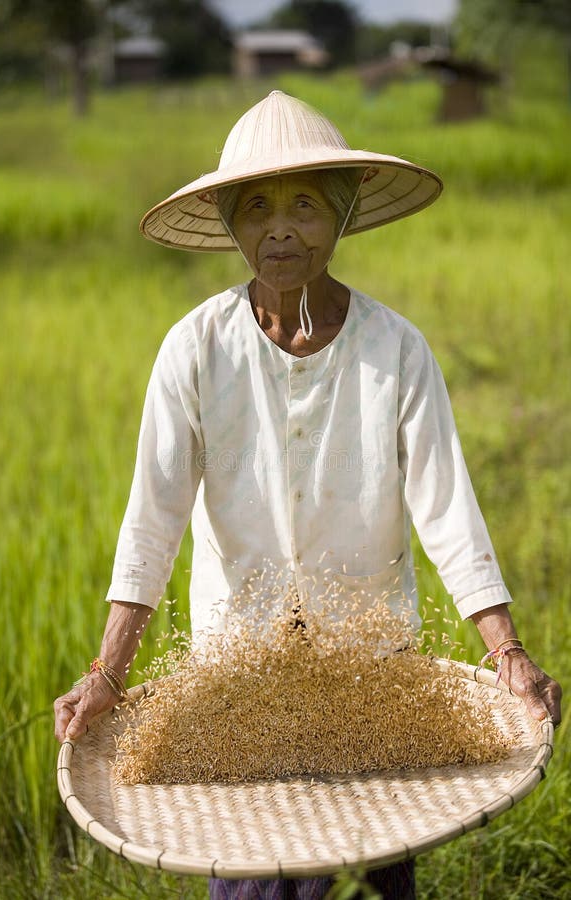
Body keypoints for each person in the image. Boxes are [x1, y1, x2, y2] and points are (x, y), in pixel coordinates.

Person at [54, 91, 562, 900]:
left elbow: (446, 504)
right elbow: (152, 520)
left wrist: (506, 650)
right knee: (253, 876)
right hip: (238, 672)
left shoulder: (395, 349)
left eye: (304, 205)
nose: (280, 229)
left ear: (344, 215)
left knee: (380, 862)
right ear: (230, 224)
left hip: (374, 676)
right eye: (256, 207)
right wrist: (106, 674)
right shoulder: (195, 349)